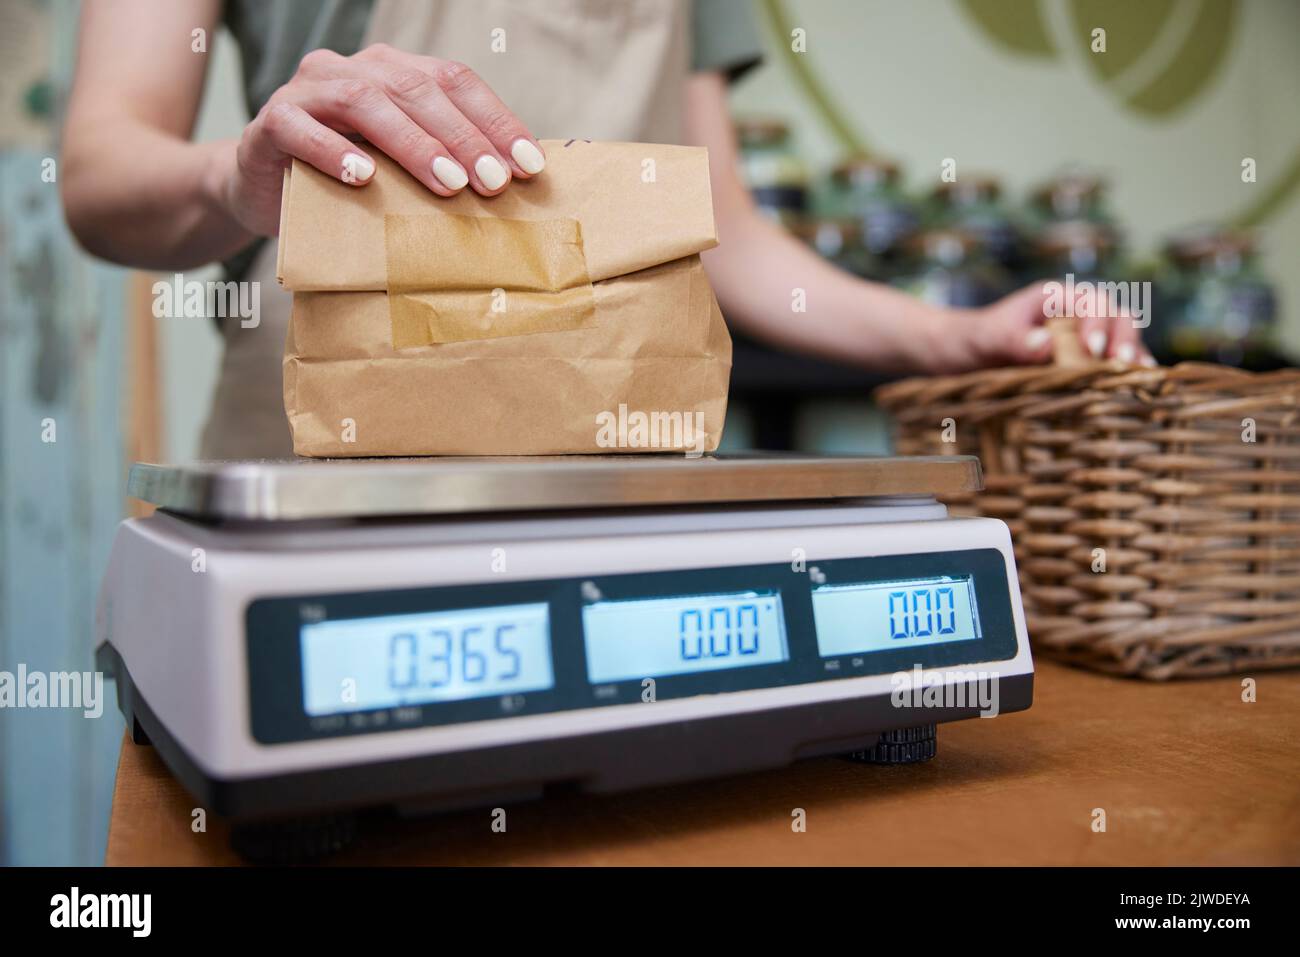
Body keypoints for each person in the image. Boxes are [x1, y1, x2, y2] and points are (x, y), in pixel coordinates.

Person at [61, 0, 1146, 459]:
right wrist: (233, 177)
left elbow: (723, 232)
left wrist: (950, 339)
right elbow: (100, 172)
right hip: (329, 482)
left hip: (614, 480)